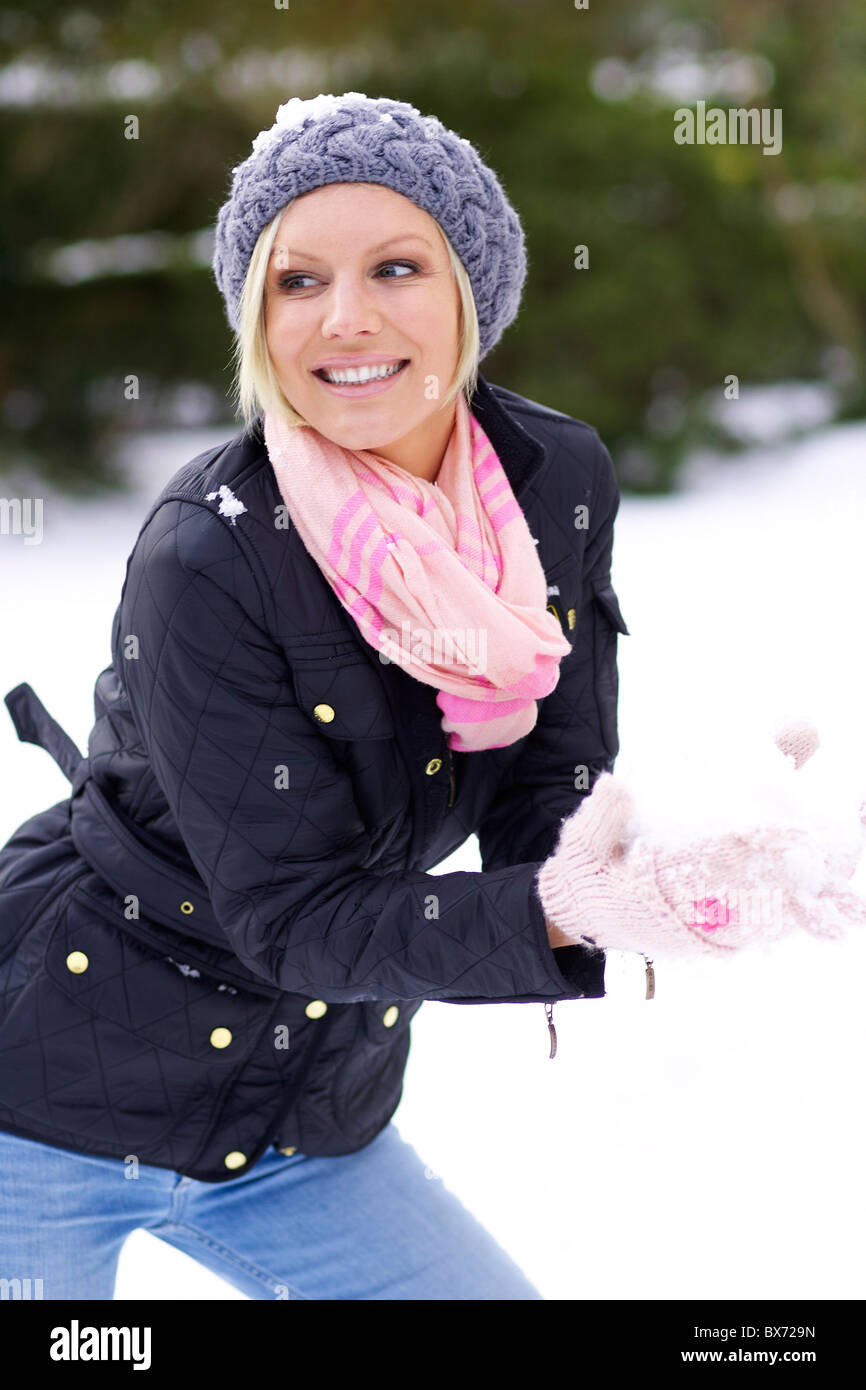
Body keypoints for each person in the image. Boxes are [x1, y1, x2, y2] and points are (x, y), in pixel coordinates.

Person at [0, 91, 861, 1304]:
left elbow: (547, 778)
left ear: (471, 289)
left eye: (395, 266)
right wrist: (553, 912)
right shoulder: (209, 551)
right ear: (256, 314)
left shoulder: (552, 477)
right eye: (296, 281)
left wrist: (651, 858)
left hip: (304, 1105)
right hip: (42, 1107)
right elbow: (295, 916)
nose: (343, 320)